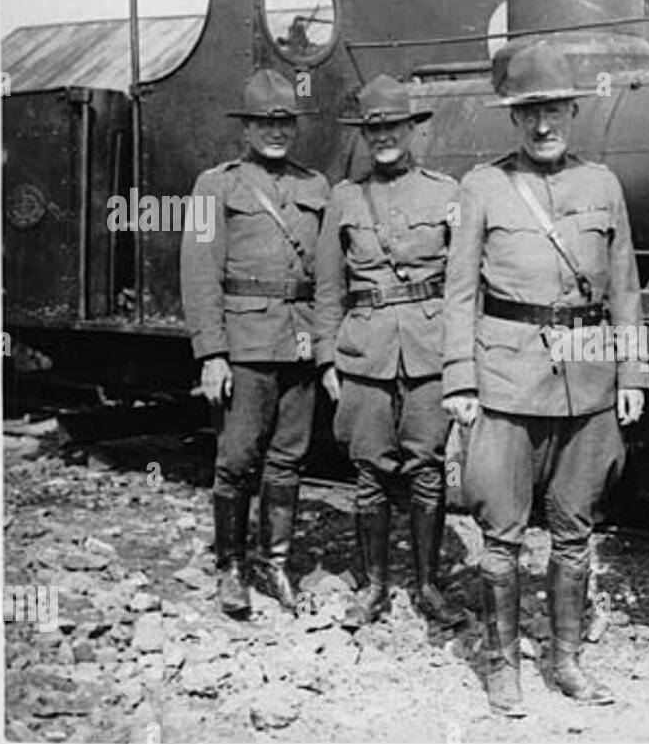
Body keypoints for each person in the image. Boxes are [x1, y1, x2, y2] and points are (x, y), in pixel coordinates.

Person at [442, 40, 646, 717]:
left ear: (572, 111)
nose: (543, 124)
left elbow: (625, 288)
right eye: (529, 112)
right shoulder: (483, 186)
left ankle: (566, 659)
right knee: (500, 533)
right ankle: (503, 667)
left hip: (587, 383)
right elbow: (459, 291)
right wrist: (461, 381)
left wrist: (632, 371)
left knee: (574, 529)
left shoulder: (602, 185)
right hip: (504, 382)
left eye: (554, 108)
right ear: (513, 119)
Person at [313, 74, 466, 629]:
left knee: (427, 468)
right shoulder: (344, 198)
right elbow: (328, 287)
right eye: (373, 129)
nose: (384, 138)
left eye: (394, 127)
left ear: (412, 129)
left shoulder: (446, 193)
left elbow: (463, 280)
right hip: (365, 352)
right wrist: (327, 358)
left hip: (430, 351)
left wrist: (462, 359)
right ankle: (374, 585)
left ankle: (427, 586)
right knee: (369, 472)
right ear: (364, 134)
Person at [180, 68, 329, 617]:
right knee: (237, 459)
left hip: (300, 343)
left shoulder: (316, 187)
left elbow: (326, 275)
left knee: (288, 459)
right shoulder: (212, 185)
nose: (276, 132)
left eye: (285, 122)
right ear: (245, 128)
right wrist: (210, 354)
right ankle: (232, 568)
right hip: (242, 346)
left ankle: (275, 564)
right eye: (264, 123)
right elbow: (198, 276)